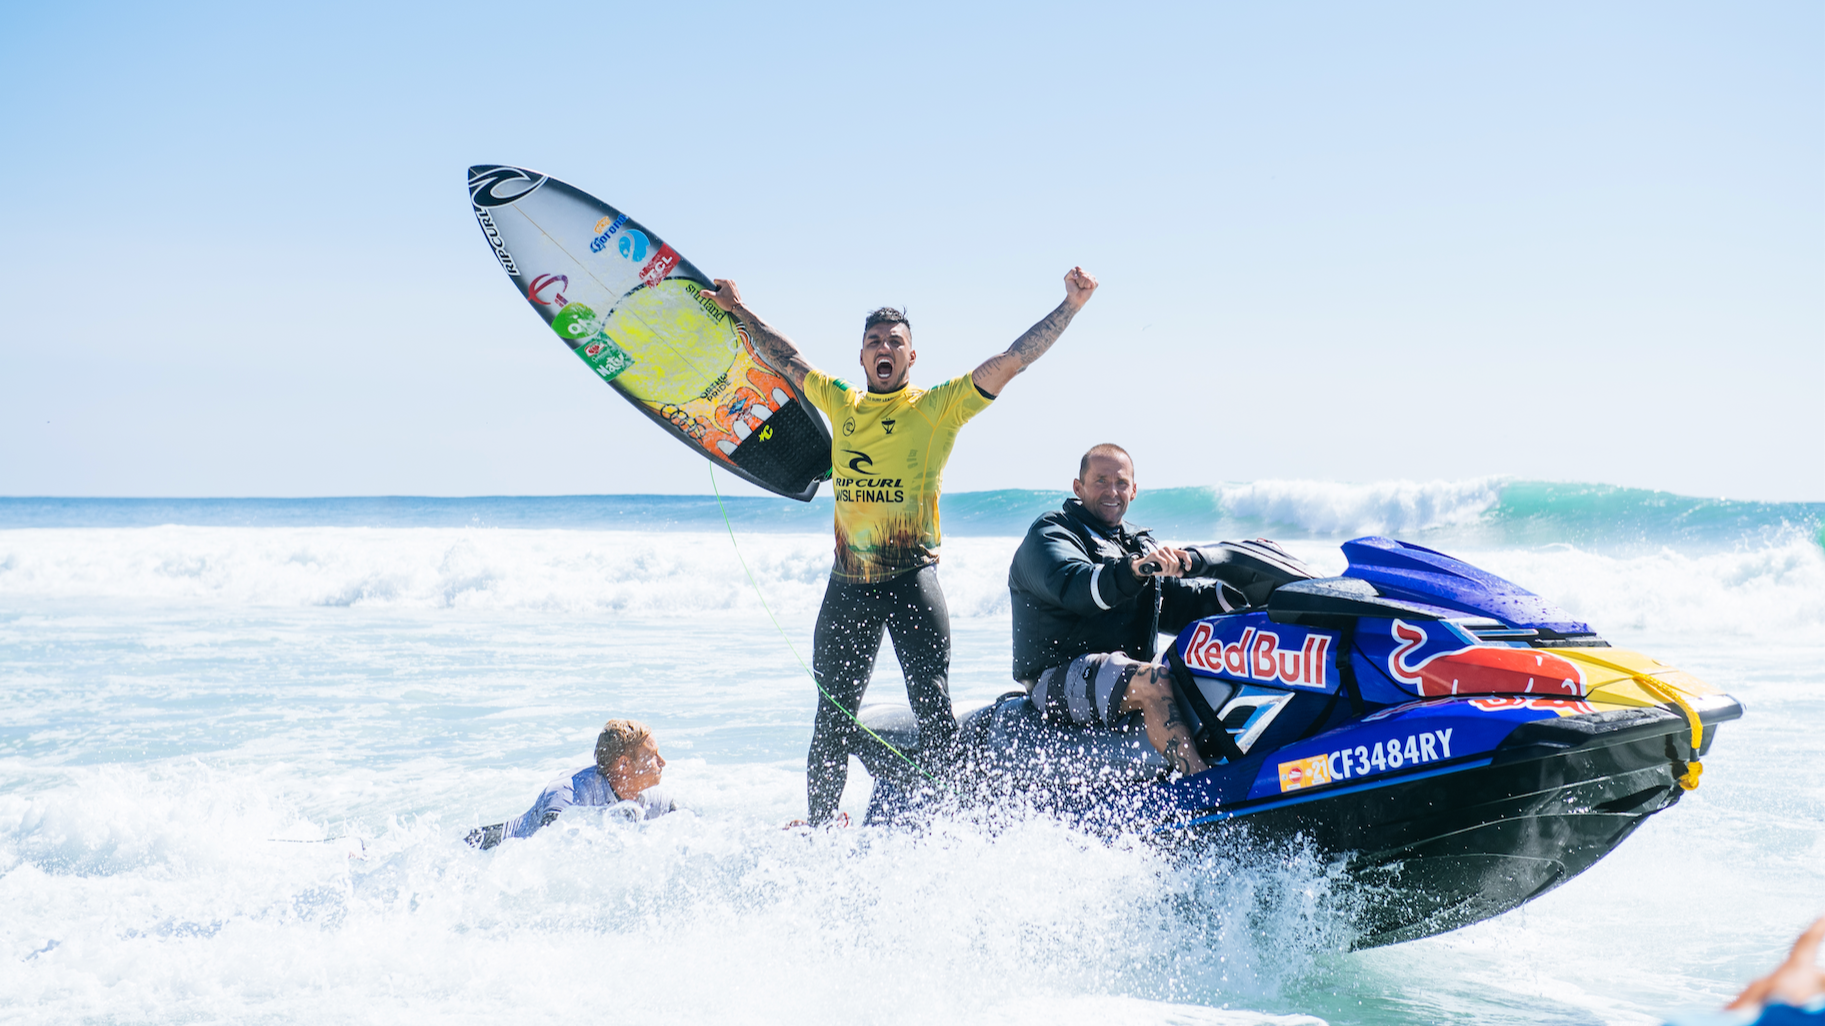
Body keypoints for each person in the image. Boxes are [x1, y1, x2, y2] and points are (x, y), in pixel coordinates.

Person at [703, 268, 1099, 825]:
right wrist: (739, 310)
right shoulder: (842, 403)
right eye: (874, 342)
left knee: (933, 706)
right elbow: (786, 359)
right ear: (862, 358)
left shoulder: (935, 408)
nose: (884, 348)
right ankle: (820, 828)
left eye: (895, 342)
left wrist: (1069, 307)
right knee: (832, 717)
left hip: (912, 581)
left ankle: (957, 822)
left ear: (912, 357)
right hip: (848, 587)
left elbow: (1012, 360)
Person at [1007, 444, 1241, 776]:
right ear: (1079, 487)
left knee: (1199, 669)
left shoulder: (1136, 543)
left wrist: (1243, 589)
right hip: (1056, 678)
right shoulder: (1051, 534)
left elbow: (1181, 604)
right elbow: (1079, 587)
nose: (1112, 491)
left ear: (1134, 489)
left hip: (1118, 674)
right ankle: (1200, 782)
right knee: (1153, 679)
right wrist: (1135, 570)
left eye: (1121, 483)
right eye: (1100, 481)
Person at [465, 718, 674, 850]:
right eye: (652, 756)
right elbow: (545, 850)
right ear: (624, 764)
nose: (662, 762)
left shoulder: (651, 801)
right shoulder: (569, 792)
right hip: (490, 848)